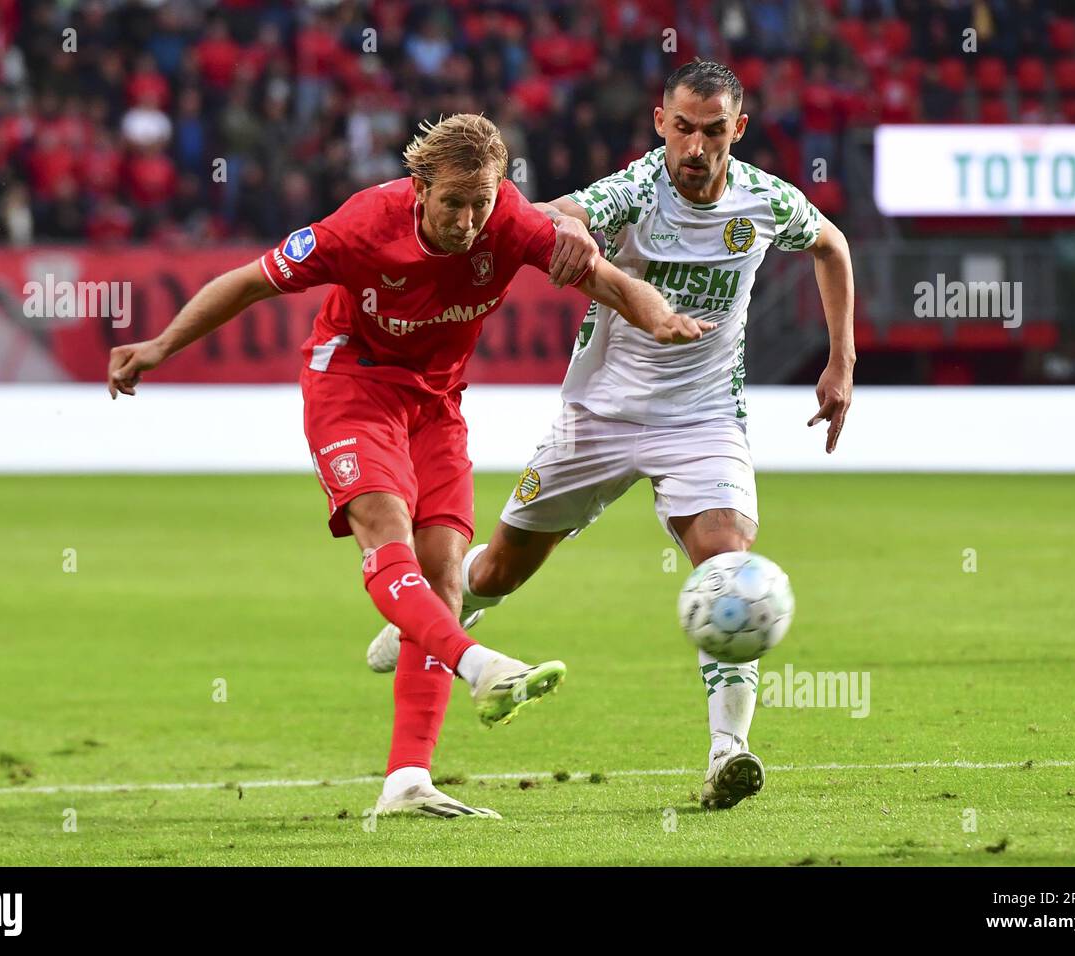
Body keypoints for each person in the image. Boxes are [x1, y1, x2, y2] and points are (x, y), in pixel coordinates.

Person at [107, 113, 710, 819]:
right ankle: (478, 664)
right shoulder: (358, 229)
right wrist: (159, 347)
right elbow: (247, 283)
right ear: (419, 188)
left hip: (436, 404)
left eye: (480, 201)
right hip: (351, 385)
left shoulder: (510, 224)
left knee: (446, 570)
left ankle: (407, 780)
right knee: (386, 525)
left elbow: (607, 282)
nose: (467, 219)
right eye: (452, 202)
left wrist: (661, 316)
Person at [367, 63, 856, 810]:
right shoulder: (636, 189)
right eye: (683, 127)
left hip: (703, 420)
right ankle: (442, 615)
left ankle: (730, 750)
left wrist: (841, 359)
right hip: (595, 419)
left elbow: (833, 246)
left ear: (739, 131)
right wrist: (563, 225)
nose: (696, 146)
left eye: (713, 131)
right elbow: (565, 208)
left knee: (727, 562)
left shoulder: (765, 201)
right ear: (661, 122)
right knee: (497, 569)